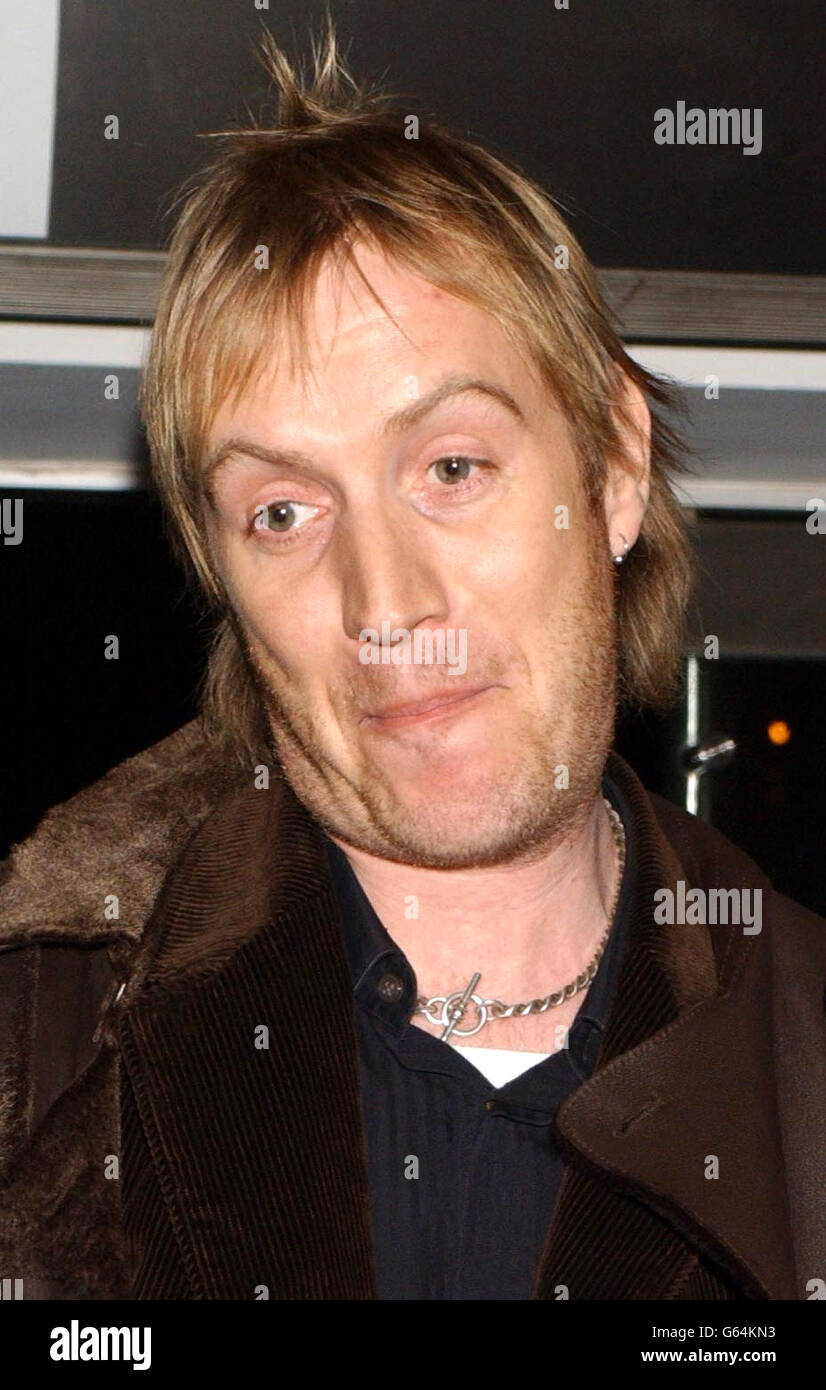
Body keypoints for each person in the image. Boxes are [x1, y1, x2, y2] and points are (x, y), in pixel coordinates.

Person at [1, 19, 824, 1301]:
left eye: (451, 468)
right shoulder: (31, 1050)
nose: (385, 602)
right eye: (284, 511)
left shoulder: (808, 1068)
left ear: (610, 463)